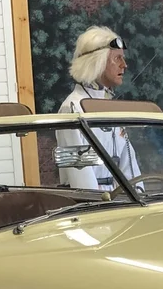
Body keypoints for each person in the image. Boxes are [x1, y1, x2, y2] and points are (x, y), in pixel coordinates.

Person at [55, 26, 141, 190]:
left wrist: (137, 192)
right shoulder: (72, 109)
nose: (124, 65)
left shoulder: (110, 107)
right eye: (117, 58)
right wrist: (103, 206)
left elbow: (128, 162)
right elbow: (81, 177)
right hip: (91, 206)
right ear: (97, 61)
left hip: (119, 203)